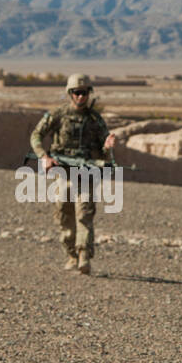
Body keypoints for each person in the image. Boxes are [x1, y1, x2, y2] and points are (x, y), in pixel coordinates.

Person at [30, 73, 116, 275]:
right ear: (70, 93)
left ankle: (84, 256)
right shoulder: (58, 115)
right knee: (63, 215)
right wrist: (44, 156)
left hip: (86, 175)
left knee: (84, 215)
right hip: (64, 174)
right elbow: (36, 135)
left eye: (84, 92)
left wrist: (108, 146)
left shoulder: (95, 120)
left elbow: (105, 151)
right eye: (77, 92)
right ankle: (71, 255)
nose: (80, 96)